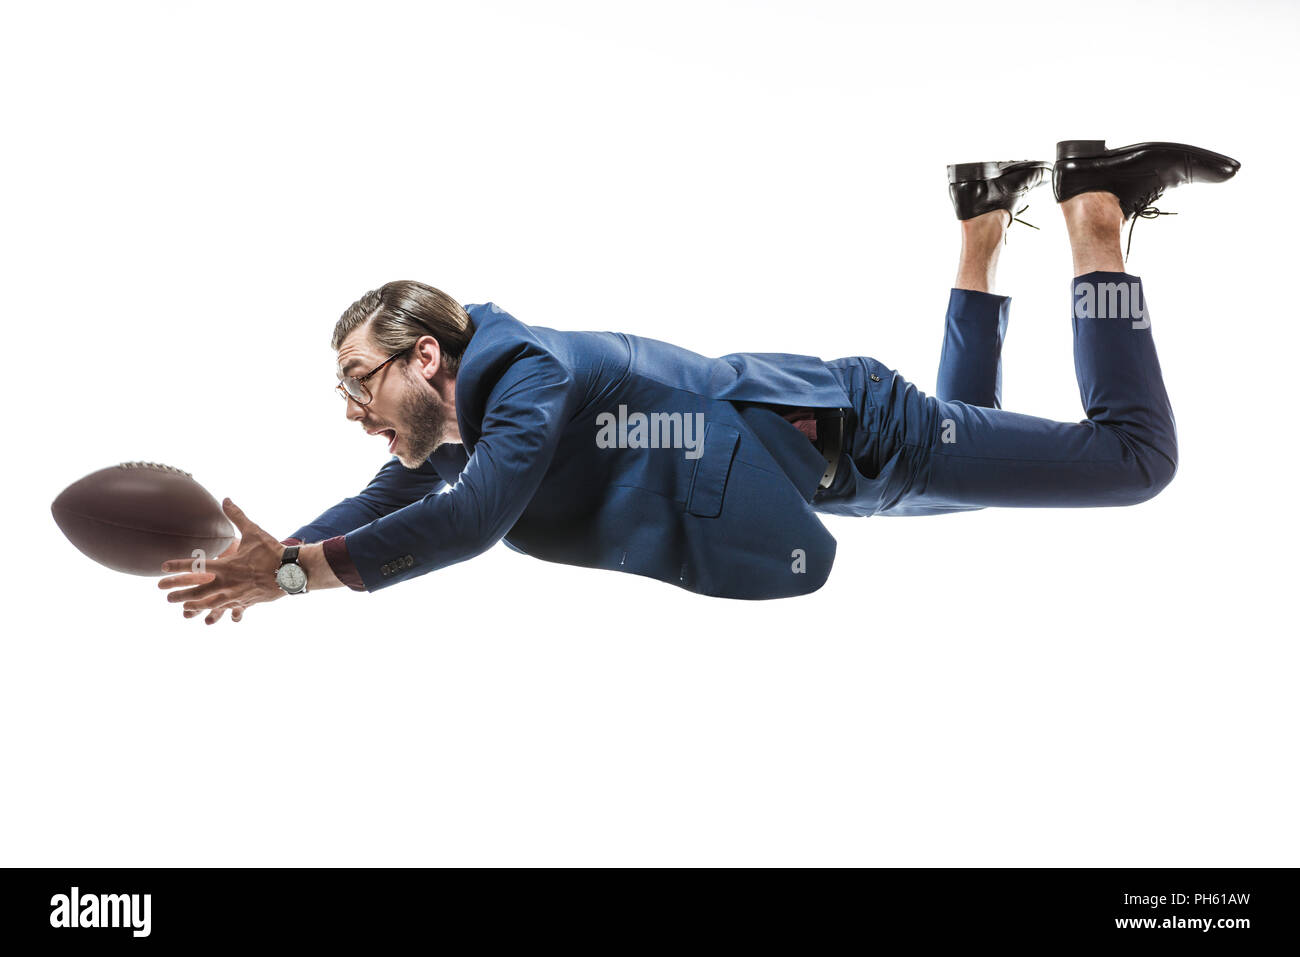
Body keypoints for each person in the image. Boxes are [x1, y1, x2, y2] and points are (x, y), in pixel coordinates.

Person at [160, 139, 1240, 621]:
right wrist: (284, 554)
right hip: (824, 451)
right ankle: (983, 213)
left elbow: (473, 519)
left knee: (1131, 462)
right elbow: (393, 499)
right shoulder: (475, 406)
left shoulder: (523, 379)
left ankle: (1094, 213)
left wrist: (297, 578)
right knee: (992, 450)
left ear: (424, 357)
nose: (350, 409)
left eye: (357, 380)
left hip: (850, 434)